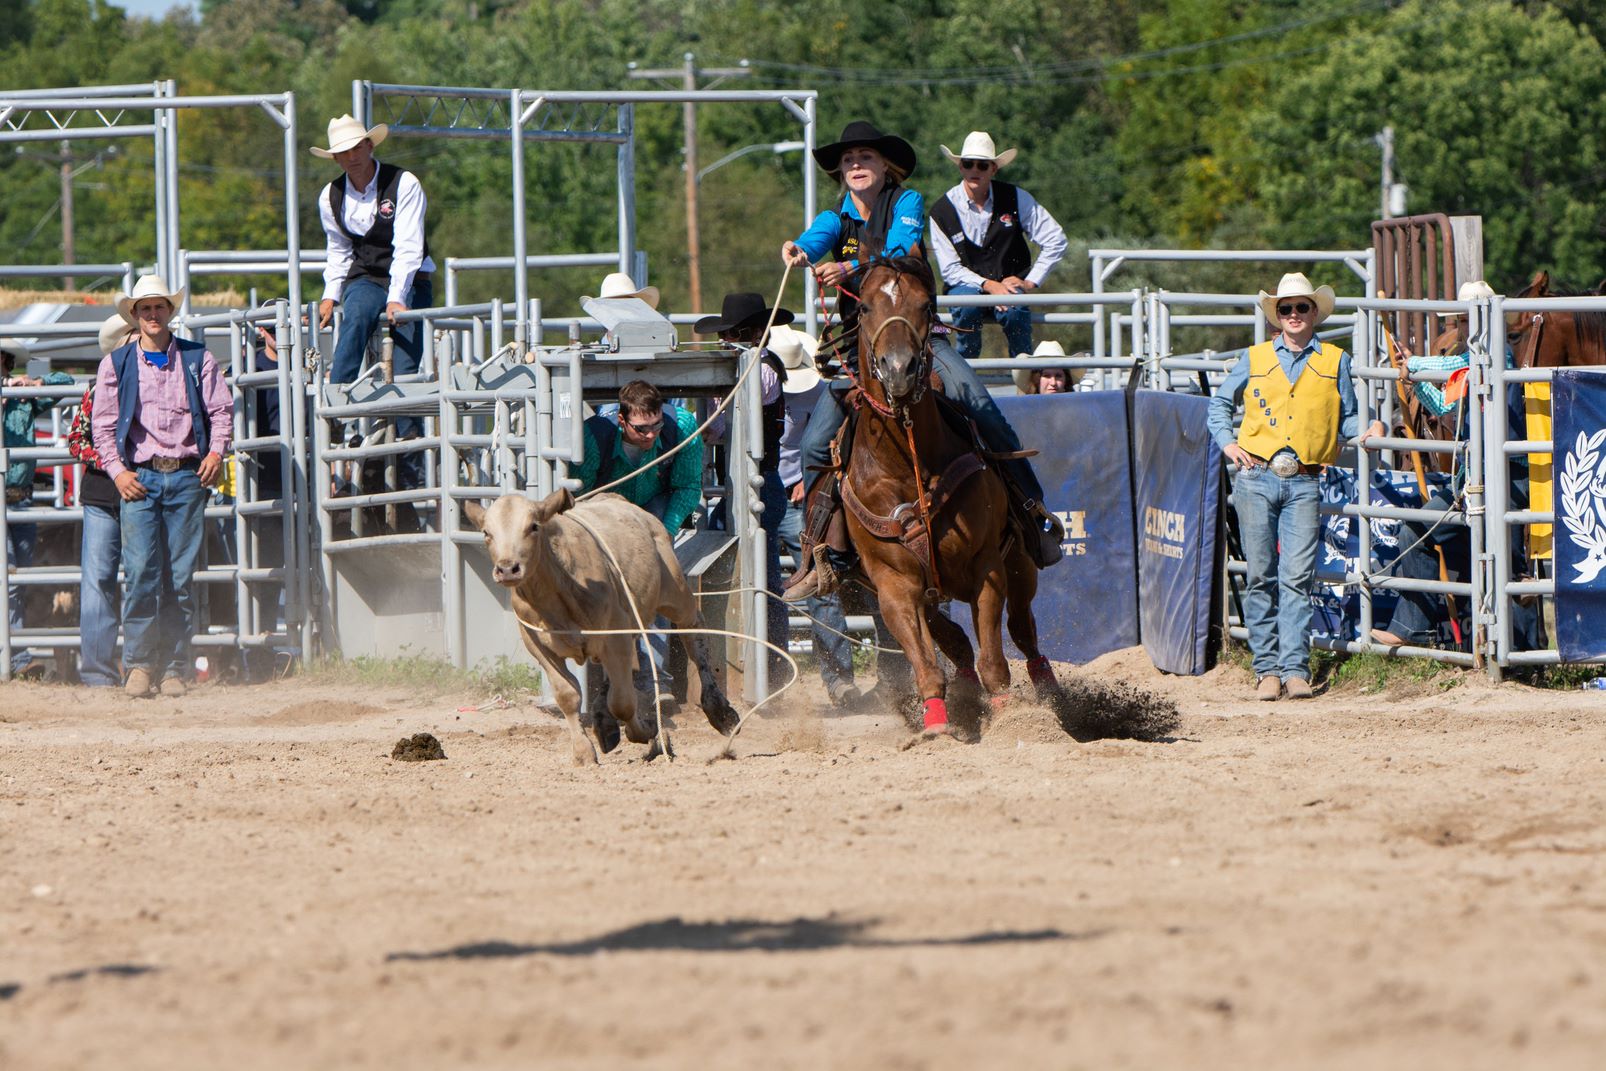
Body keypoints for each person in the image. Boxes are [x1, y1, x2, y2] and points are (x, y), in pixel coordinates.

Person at [779, 120, 1065, 602]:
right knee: (812, 447)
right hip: (859, 346)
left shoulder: (906, 204)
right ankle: (822, 556)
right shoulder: (837, 217)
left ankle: (1031, 511)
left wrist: (848, 266)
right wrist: (798, 251)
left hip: (920, 337)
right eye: (849, 160)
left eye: (865, 158)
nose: (855, 166)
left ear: (885, 168)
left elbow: (898, 252)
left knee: (979, 402)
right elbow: (813, 238)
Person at [1207, 272, 1386, 702]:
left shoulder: (1335, 361)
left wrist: (1368, 427)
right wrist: (1229, 444)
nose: (1293, 315)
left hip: (1305, 478)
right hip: (1255, 476)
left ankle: (1294, 669)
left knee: (1297, 577)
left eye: (1301, 307)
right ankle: (1266, 668)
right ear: (1277, 316)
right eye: (1285, 308)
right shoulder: (1254, 357)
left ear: (1314, 314)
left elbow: (1347, 417)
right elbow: (1219, 403)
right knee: (1260, 574)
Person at [91, 276, 233, 698]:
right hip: (141, 477)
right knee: (140, 573)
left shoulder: (197, 359)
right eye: (146, 308)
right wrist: (118, 471)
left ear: (170, 312)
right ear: (135, 315)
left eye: (159, 307)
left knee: (179, 577)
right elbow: (102, 425)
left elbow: (221, 411)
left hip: (187, 474)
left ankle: (172, 666)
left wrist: (214, 453)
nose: (153, 315)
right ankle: (140, 665)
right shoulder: (116, 364)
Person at [313, 113, 433, 489]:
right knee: (359, 311)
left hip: (410, 276)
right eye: (343, 152)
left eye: (357, 147)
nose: (352, 156)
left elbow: (409, 248)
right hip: (365, 274)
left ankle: (408, 459)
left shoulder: (404, 183)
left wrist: (397, 297)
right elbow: (338, 251)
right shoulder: (331, 196)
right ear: (335, 158)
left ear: (370, 145)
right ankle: (341, 400)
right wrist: (331, 293)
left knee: (405, 367)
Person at [573, 379, 702, 698]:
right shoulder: (595, 437)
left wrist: (666, 531)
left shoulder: (682, 425)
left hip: (656, 503)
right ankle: (618, 677)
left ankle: (653, 678)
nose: (651, 435)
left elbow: (688, 486)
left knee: (653, 577)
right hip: (606, 509)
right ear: (621, 419)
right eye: (641, 429)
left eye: (656, 426)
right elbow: (582, 494)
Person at [694, 293, 793, 667]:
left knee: (764, 582)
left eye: (730, 335)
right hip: (754, 484)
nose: (723, 343)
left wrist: (708, 400)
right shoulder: (760, 368)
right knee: (757, 577)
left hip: (758, 484)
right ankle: (757, 664)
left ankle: (772, 666)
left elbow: (716, 429)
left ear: (751, 334)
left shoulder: (758, 371)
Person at [772, 324, 858, 706]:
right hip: (770, 491)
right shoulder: (813, 390)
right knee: (770, 586)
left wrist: (814, 477)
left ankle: (840, 680)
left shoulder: (821, 392)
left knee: (819, 578)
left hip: (801, 498)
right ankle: (772, 678)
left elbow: (837, 442)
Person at [930, 131, 1067, 361]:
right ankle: (966, 377)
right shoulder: (941, 211)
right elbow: (950, 270)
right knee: (967, 306)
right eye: (968, 163)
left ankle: (1025, 379)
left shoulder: (1016, 197)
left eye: (982, 165)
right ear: (960, 167)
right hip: (967, 288)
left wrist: (1030, 280)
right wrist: (990, 286)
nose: (975, 170)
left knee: (1016, 313)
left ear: (994, 169)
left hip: (1009, 286)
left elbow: (1056, 239)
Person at [67, 316, 136, 687]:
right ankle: (99, 673)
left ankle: (136, 666)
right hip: (105, 493)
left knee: (141, 578)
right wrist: (114, 465)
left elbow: (77, 440)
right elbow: (77, 439)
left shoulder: (157, 384)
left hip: (133, 490)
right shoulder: (97, 389)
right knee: (99, 581)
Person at [3, 338, 72, 680]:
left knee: (19, 579)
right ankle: (16, 659)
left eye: (2, 362)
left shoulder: (23, 400)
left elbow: (65, 383)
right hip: (10, 500)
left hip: (22, 499)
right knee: (11, 578)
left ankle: (13, 657)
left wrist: (34, 383)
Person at [1011, 340, 1080, 396]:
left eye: (1058, 376)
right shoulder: (1024, 410)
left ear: (1066, 380)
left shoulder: (1077, 409)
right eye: (1046, 376)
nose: (1053, 383)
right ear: (1036, 380)